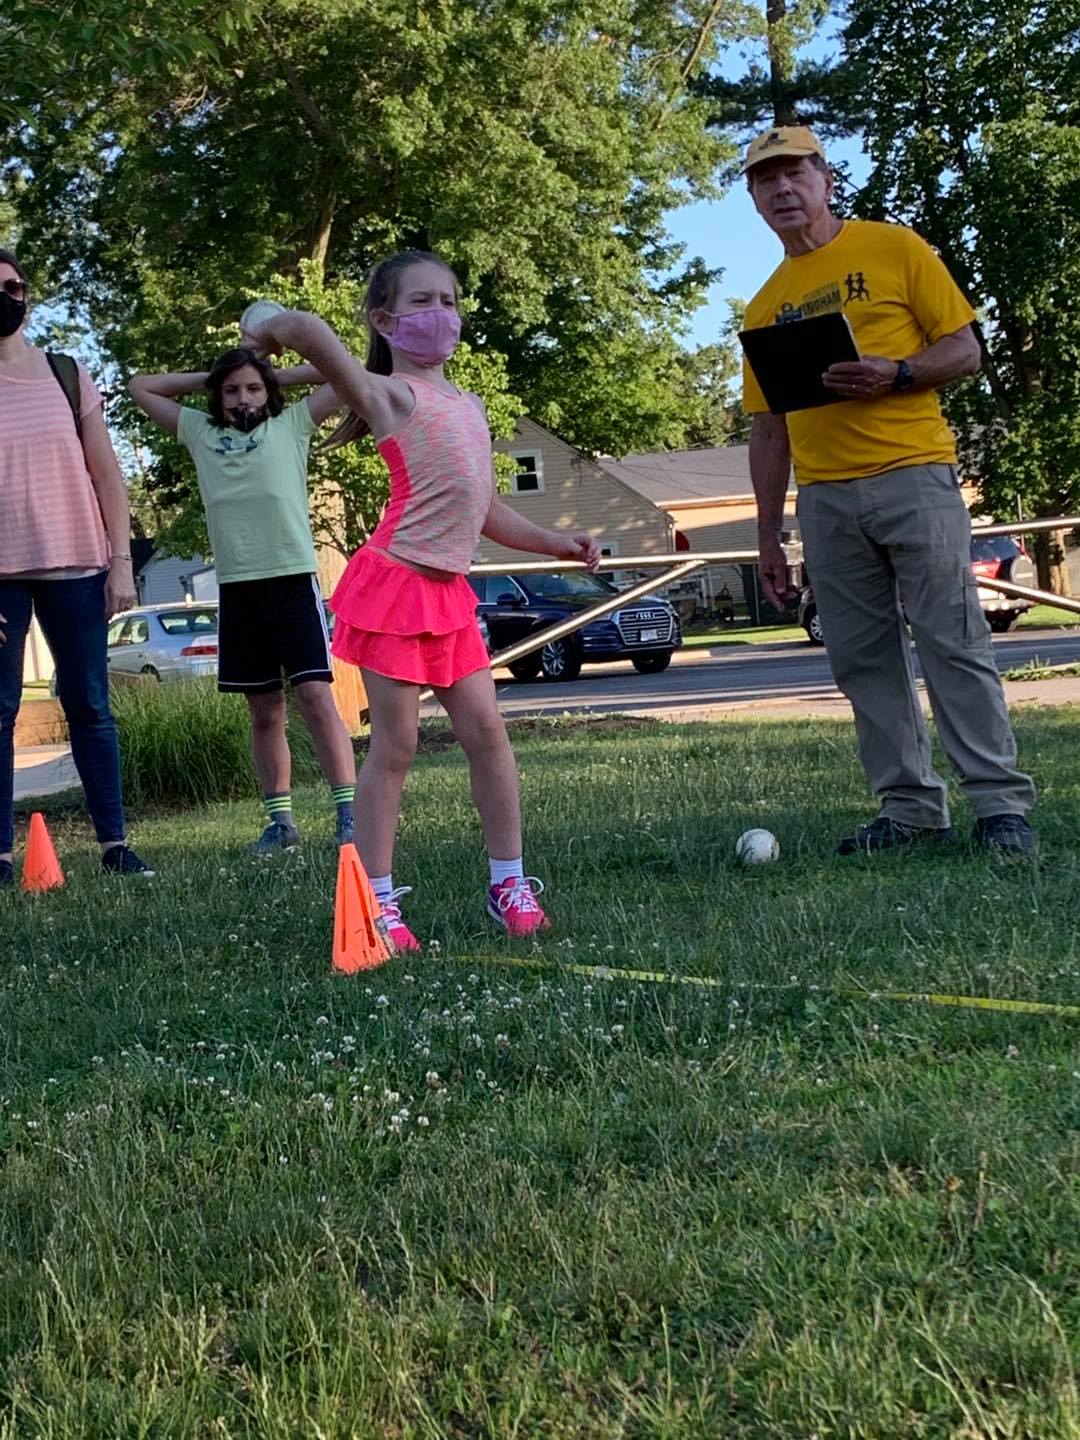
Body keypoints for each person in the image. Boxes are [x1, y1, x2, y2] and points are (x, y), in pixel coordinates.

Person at [247, 249, 602, 948]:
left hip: (448, 594)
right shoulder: (384, 394)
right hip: (394, 586)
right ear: (384, 320)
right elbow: (314, 332)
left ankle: (509, 884)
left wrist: (556, 544)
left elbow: (485, 508)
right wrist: (261, 324)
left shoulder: (468, 405)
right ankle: (377, 901)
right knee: (399, 745)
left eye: (450, 300)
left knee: (489, 737)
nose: (441, 315)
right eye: (421, 303)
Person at [741, 126, 1037, 857]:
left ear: (825, 179)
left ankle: (1000, 806)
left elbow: (966, 348)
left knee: (953, 642)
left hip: (915, 477)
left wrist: (896, 373)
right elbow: (768, 431)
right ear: (753, 199)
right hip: (827, 500)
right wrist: (768, 533)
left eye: (793, 174)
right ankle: (908, 809)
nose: (781, 189)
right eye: (764, 180)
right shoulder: (764, 307)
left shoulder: (895, 248)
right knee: (862, 658)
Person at [129, 348, 357, 852]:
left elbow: (343, 370)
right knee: (264, 709)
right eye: (231, 391)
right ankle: (281, 823)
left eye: (253, 388)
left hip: (292, 579)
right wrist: (215, 378)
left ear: (270, 392)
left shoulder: (293, 424)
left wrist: (274, 373)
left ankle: (350, 814)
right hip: (238, 587)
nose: (242, 398)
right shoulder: (200, 432)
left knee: (317, 698)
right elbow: (142, 386)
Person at [0, 248, 153, 886]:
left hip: (80, 568)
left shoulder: (67, 374)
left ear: (26, 293)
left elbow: (108, 477)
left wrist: (121, 564)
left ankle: (115, 845)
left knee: (90, 702)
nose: (4, 295)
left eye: (11, 285)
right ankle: (2, 859)